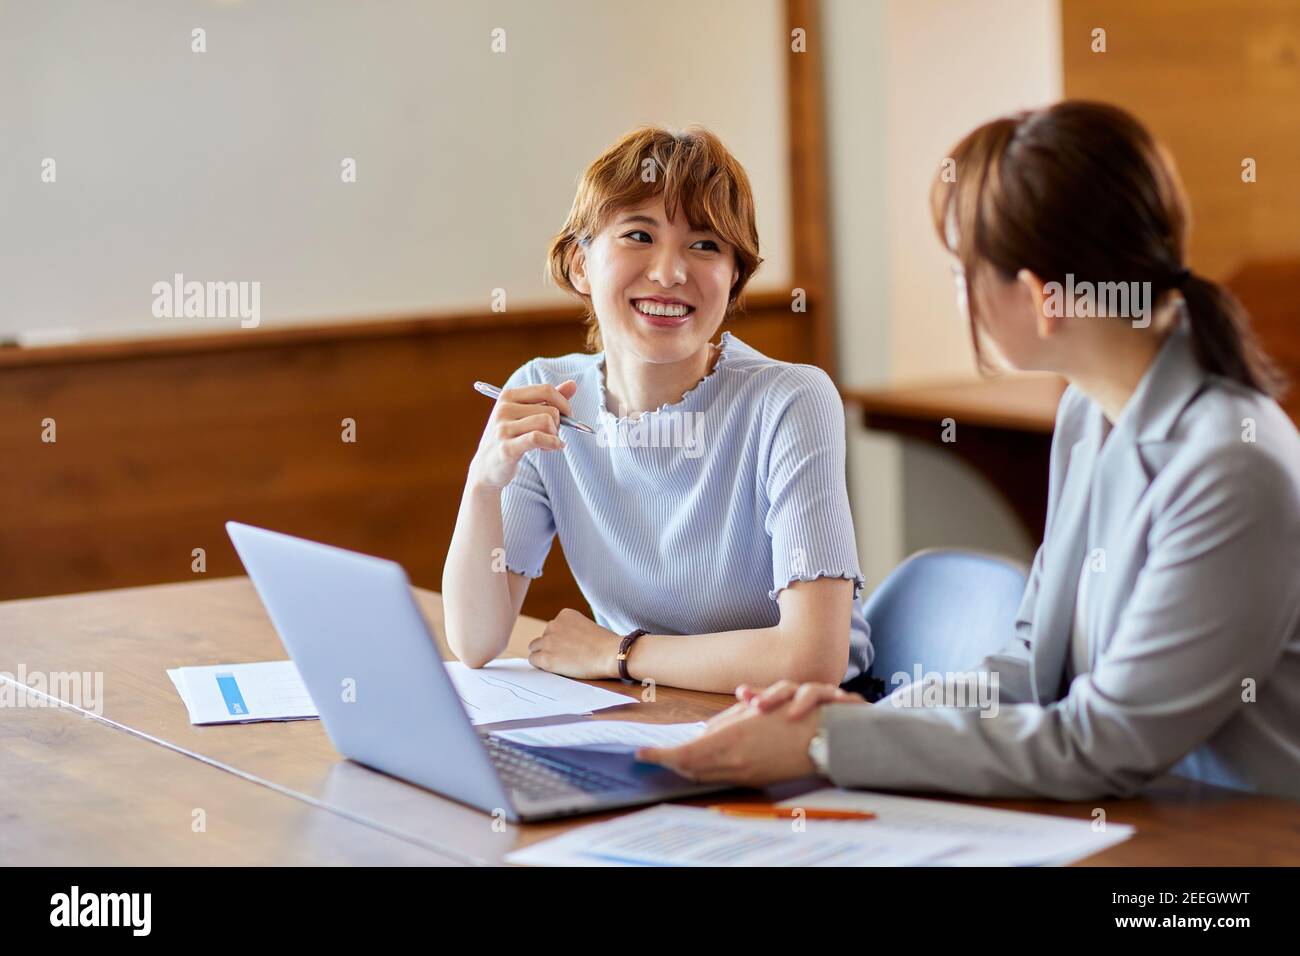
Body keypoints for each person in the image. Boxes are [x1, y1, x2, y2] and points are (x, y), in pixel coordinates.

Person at [641, 101, 1300, 800]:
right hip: (1135, 822)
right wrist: (854, 720)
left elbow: (1105, 741)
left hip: (1236, 843)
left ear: (1040, 298)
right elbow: (1028, 671)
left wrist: (827, 743)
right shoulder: (1090, 411)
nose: (957, 294)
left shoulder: (1231, 467)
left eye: (963, 271)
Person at [442, 126, 872, 694]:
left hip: (793, 720)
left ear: (734, 277)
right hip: (644, 707)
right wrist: (483, 485)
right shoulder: (543, 392)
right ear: (580, 264)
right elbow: (475, 641)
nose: (670, 273)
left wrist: (620, 653)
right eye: (639, 235)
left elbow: (812, 658)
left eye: (705, 245)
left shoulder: (791, 401)